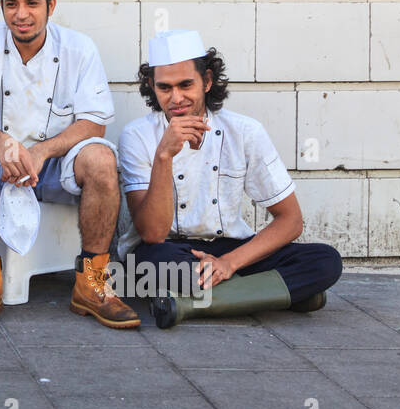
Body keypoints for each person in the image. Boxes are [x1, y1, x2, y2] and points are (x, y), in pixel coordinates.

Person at [0, 0, 138, 329]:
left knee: (100, 158)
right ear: (1, 5)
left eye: (32, 3)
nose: (21, 14)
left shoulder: (79, 48)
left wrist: (41, 151)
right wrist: (4, 143)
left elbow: (94, 123)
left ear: (51, 6)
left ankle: (92, 282)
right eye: (11, 4)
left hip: (57, 161)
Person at [118, 29, 342, 329]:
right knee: (154, 267)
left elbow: (290, 221)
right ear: (151, 86)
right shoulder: (137, 136)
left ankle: (187, 304)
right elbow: (152, 233)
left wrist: (229, 264)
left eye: (186, 85)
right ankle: (280, 294)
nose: (176, 98)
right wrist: (164, 156)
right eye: (164, 88)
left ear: (207, 81)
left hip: (231, 249)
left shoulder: (245, 132)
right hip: (169, 250)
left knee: (325, 261)